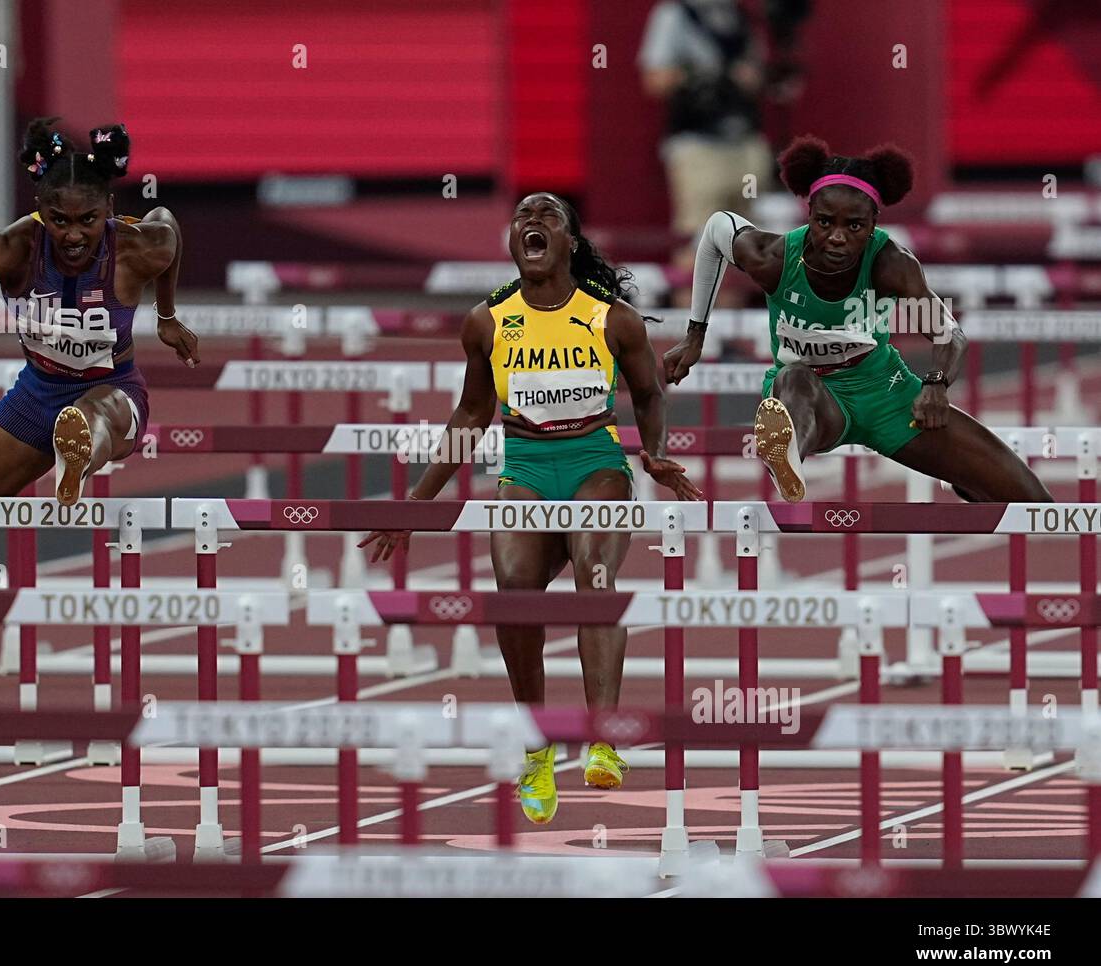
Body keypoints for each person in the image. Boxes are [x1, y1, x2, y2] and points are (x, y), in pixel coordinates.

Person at [360, 193, 701, 825]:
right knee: (515, 591)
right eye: (522, 216)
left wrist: (652, 455)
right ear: (512, 242)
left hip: (594, 461)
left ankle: (602, 734)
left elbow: (649, 392)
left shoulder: (612, 317)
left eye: (547, 216)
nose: (532, 223)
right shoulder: (487, 322)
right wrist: (414, 503)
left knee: (595, 580)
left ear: (570, 241)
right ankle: (537, 746)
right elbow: (470, 414)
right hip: (524, 465)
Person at [663, 135, 1052, 504]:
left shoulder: (891, 265)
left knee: (1035, 502)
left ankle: (969, 480)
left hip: (886, 393)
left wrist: (935, 384)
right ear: (809, 215)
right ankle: (787, 454)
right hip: (815, 397)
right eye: (824, 222)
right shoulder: (775, 259)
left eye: (854, 226)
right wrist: (695, 334)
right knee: (794, 377)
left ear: (873, 225)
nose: (836, 237)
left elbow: (948, 335)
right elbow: (716, 230)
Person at [0, 117, 200, 554]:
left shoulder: (135, 248)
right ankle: (67, 442)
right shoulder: (12, 249)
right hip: (36, 397)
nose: (73, 235)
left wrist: (167, 315)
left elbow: (165, 223)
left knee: (94, 412)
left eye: (88, 220)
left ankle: (77, 455)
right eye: (58, 220)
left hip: (112, 391)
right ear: (39, 209)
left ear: (109, 210)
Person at [638, 0, 770, 291]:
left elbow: (758, 73)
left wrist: (746, 77)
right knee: (698, 244)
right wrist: (704, 73)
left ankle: (729, 330)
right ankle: (695, 328)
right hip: (699, 146)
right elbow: (655, 79)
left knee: (741, 246)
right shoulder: (675, 15)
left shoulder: (738, 14)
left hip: (743, 143)